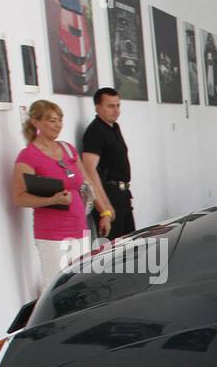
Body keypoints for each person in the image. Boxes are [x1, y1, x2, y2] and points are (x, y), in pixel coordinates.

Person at [10, 99, 113, 295]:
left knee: (81, 281)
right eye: (51, 120)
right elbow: (19, 197)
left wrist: (104, 211)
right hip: (52, 232)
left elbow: (88, 183)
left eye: (60, 120)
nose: (58, 125)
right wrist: (52, 200)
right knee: (55, 286)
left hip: (78, 227)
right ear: (35, 122)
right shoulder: (28, 156)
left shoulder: (67, 149)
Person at [80, 87, 136, 239]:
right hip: (108, 194)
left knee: (131, 246)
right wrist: (104, 206)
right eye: (110, 106)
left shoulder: (114, 127)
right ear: (98, 107)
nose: (116, 110)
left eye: (118, 106)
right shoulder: (95, 131)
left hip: (122, 194)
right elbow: (89, 170)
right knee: (115, 252)